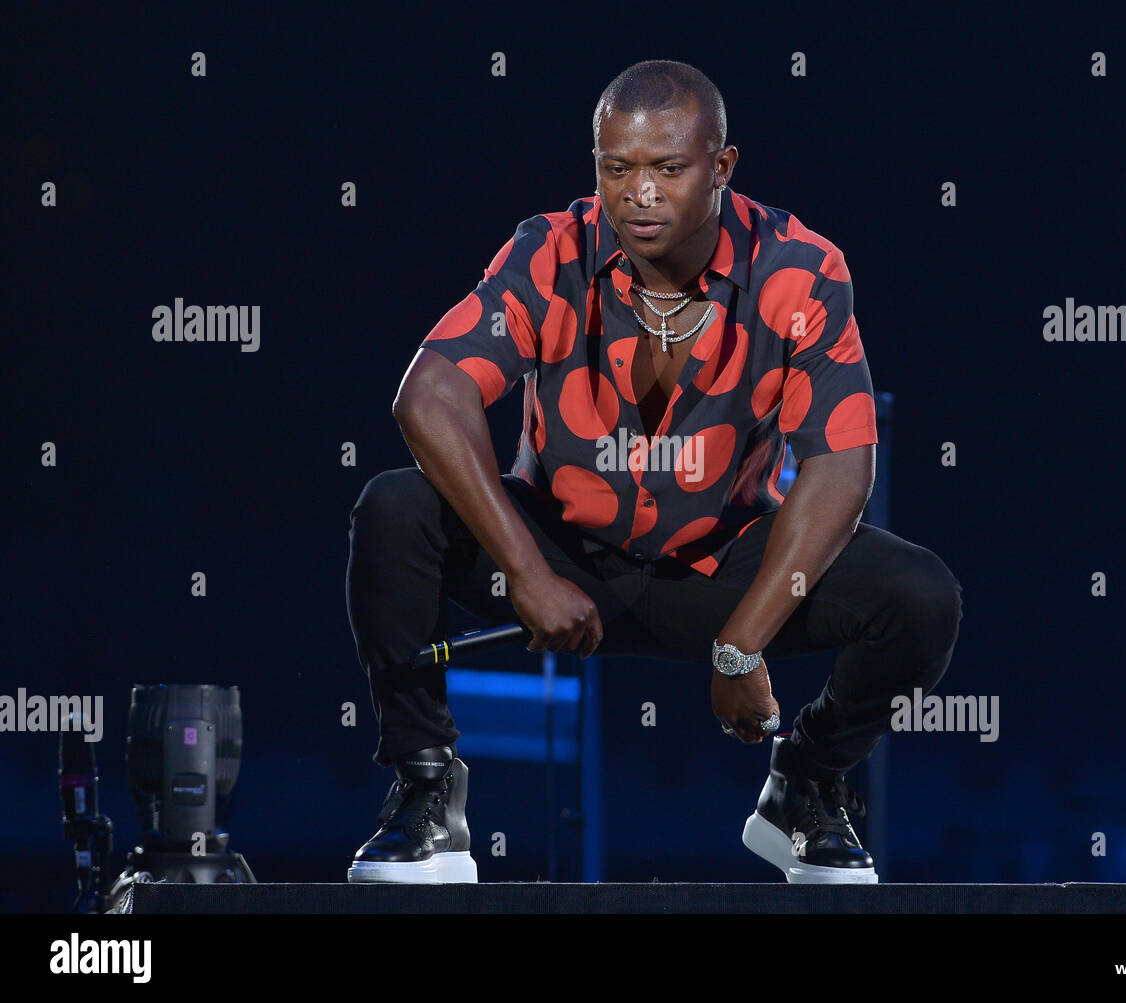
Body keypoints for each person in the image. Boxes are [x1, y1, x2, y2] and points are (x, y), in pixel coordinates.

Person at [344, 59, 962, 885]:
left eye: (668, 169)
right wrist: (526, 572)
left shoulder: (800, 268)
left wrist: (742, 646)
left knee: (921, 596)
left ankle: (806, 785)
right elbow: (429, 395)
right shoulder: (551, 250)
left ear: (722, 168)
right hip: (561, 557)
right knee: (393, 509)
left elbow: (842, 465)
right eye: (617, 168)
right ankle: (427, 794)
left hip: (720, 568)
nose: (639, 193)